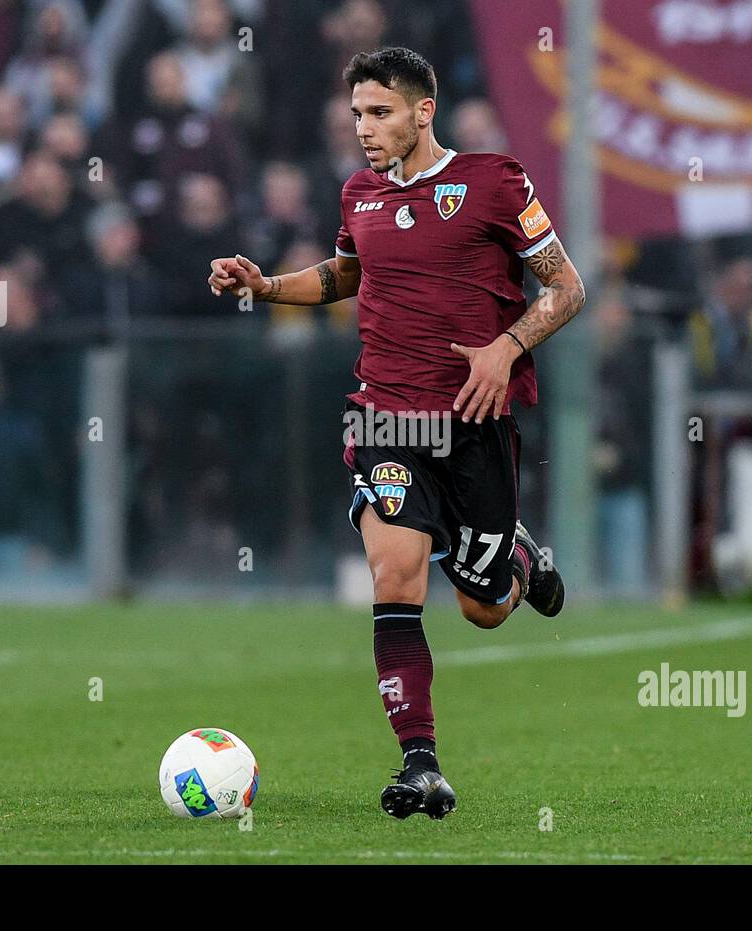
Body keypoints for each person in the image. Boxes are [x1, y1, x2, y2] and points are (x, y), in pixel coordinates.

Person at [206, 47, 584, 821]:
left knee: (483, 608)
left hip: (476, 426)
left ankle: (514, 551)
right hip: (384, 418)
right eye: (356, 116)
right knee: (396, 573)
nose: (364, 130)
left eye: (379, 113)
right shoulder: (359, 194)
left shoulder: (494, 183)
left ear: (423, 112)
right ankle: (421, 765)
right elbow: (347, 274)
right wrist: (266, 284)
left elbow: (567, 287)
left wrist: (506, 348)